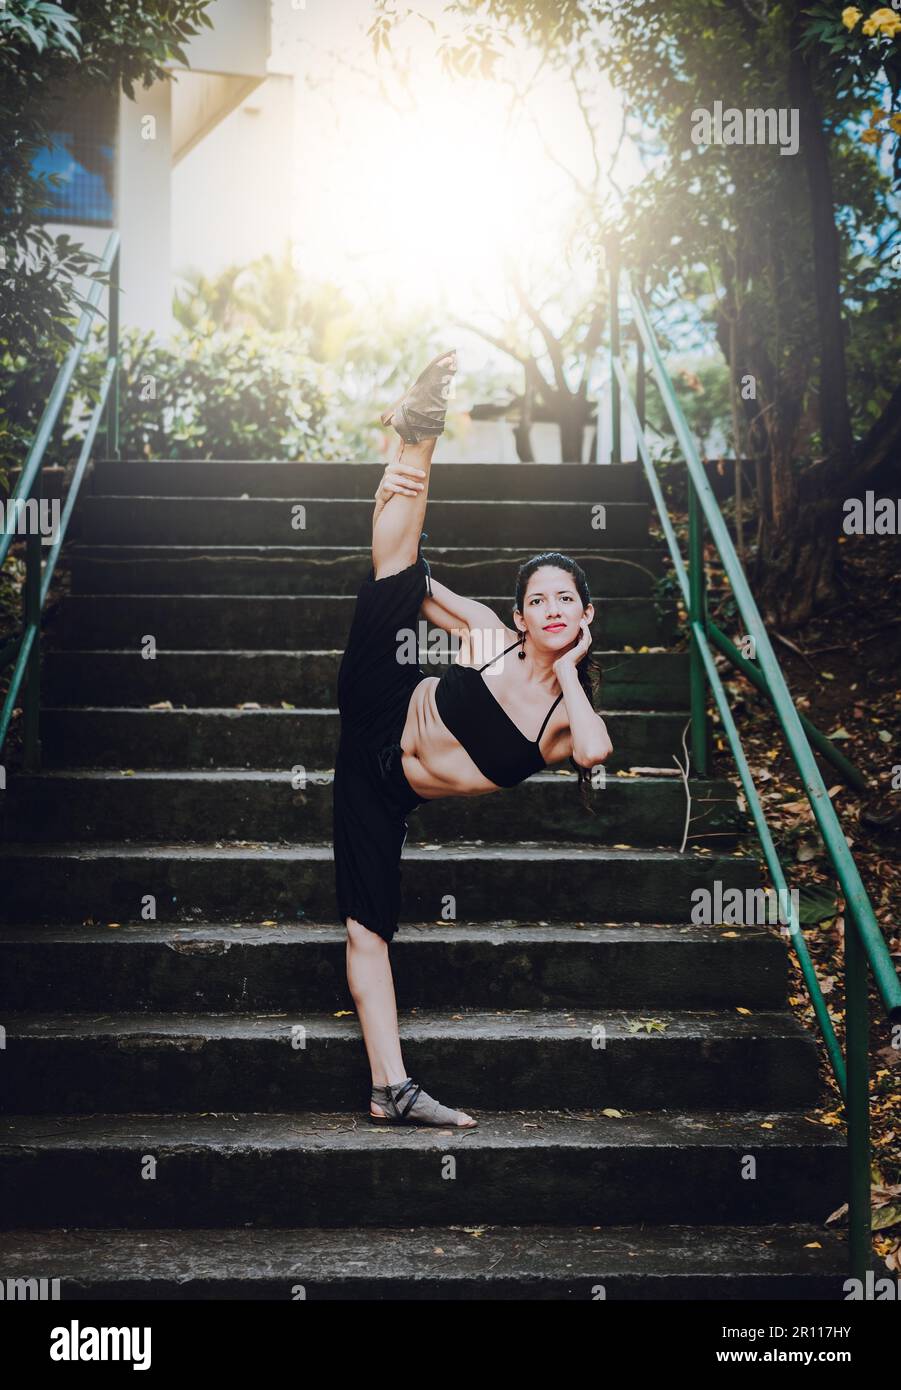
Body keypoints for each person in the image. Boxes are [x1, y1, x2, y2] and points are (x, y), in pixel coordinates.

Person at [333, 349, 613, 1128]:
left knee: (367, 925)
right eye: (538, 598)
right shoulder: (489, 636)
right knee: (393, 567)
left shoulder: (565, 720)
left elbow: (594, 754)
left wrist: (572, 667)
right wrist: (395, 484)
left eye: (567, 599)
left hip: (379, 786)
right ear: (520, 615)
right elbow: (410, 578)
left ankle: (389, 1088)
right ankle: (418, 431)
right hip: (381, 700)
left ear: (581, 616)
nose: (551, 606)